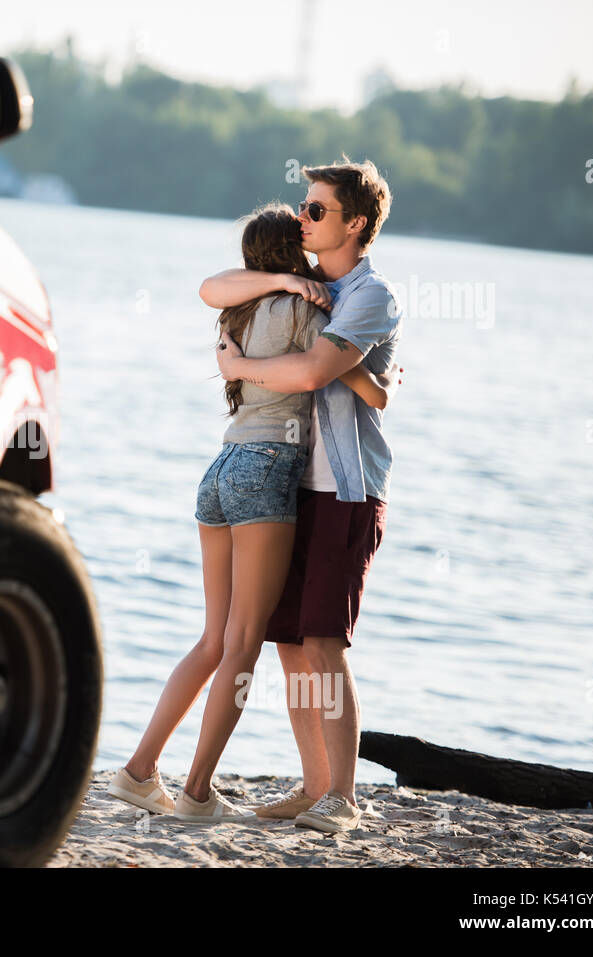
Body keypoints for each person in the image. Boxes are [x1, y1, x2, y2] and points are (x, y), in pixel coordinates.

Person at [106, 199, 400, 823]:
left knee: (213, 638)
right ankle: (196, 793)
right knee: (241, 644)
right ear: (293, 256)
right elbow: (330, 373)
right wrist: (384, 384)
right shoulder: (305, 306)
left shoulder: (234, 311)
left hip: (220, 469)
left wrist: (238, 362)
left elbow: (211, 287)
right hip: (267, 471)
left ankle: (138, 772)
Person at [207, 157, 402, 833]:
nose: (302, 217)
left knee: (324, 641)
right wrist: (287, 276)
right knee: (289, 642)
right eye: (302, 206)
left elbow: (312, 369)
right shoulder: (312, 284)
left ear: (355, 223)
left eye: (316, 210)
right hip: (293, 486)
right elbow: (212, 287)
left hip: (344, 490)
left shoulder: (370, 295)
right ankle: (315, 783)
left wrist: (240, 366)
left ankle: (341, 796)